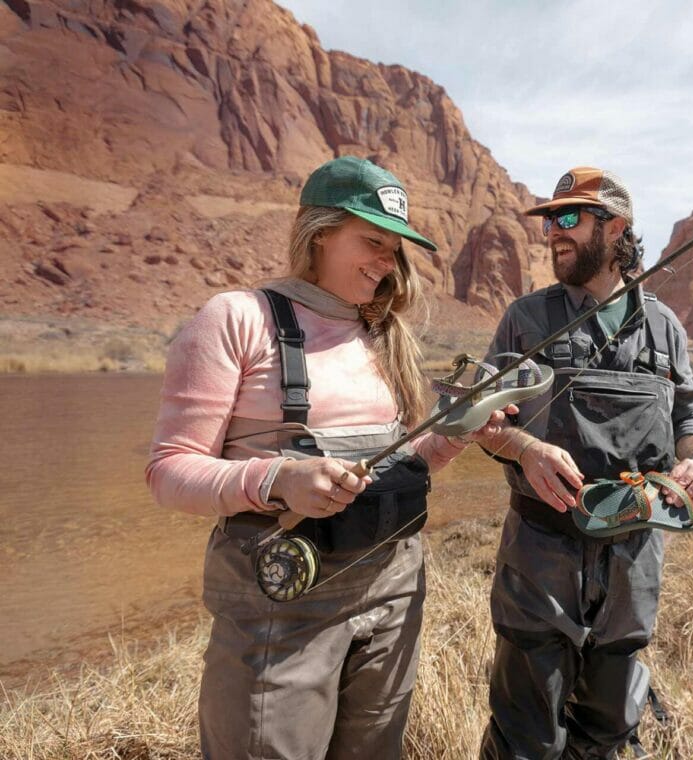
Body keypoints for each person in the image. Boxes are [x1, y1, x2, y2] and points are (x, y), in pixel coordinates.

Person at [146, 155, 510, 759]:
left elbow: (402, 465)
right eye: (372, 241)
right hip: (283, 601)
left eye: (394, 248)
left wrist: (456, 433)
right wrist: (280, 478)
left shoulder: (384, 334)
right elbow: (169, 471)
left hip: (395, 589)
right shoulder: (236, 318)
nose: (386, 261)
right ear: (319, 233)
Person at [476, 167, 693, 759]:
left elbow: (691, 415)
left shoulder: (664, 326)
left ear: (615, 228)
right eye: (550, 222)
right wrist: (526, 449)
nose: (554, 233)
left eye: (569, 218)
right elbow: (481, 421)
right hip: (539, 557)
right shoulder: (525, 319)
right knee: (525, 739)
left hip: (634, 566)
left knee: (608, 731)